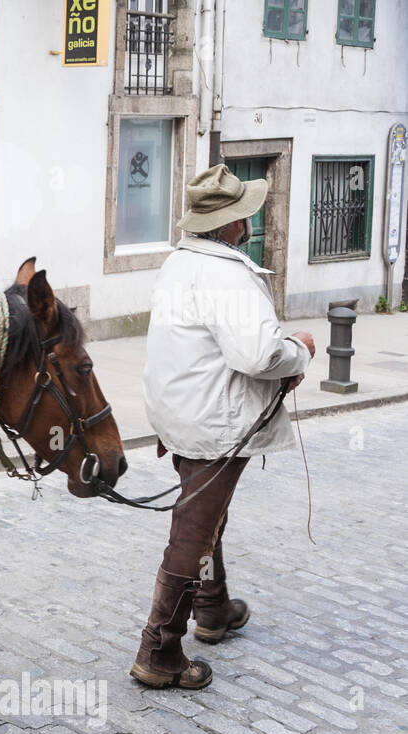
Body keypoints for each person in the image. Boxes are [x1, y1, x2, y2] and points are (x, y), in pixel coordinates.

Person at [133, 164, 316, 690]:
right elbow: (258, 353)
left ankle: (211, 608)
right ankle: (159, 650)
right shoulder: (228, 273)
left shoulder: (179, 263)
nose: (248, 226)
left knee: (208, 514)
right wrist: (297, 351)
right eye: (244, 218)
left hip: (180, 411)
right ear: (233, 225)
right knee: (193, 529)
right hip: (213, 419)